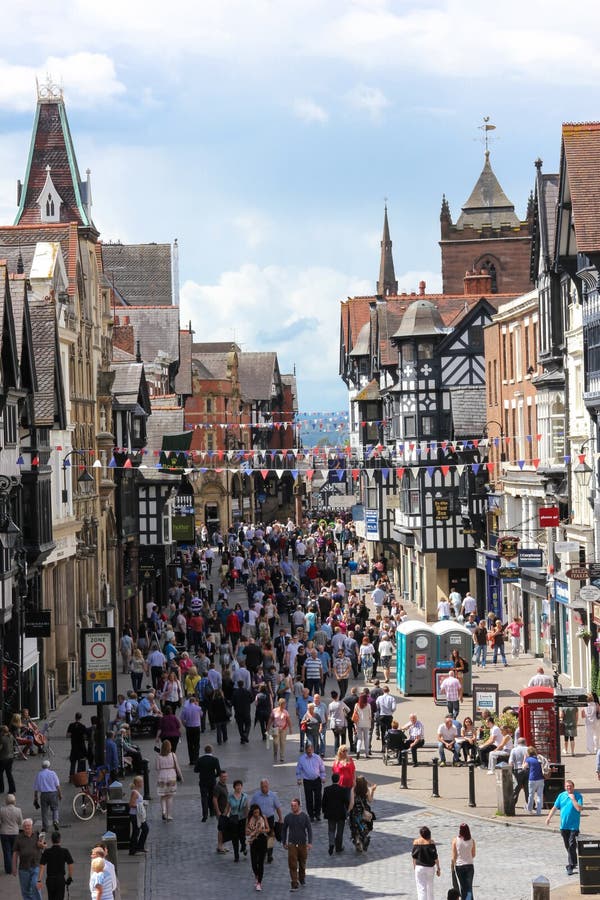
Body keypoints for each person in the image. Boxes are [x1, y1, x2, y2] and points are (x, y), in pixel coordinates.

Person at [545, 779, 583, 876]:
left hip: (574, 826)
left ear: (573, 787)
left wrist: (573, 798)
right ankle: (574, 862)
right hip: (563, 826)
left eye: (570, 786)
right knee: (568, 846)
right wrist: (549, 817)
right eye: (567, 786)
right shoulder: (561, 796)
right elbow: (554, 807)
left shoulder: (578, 796)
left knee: (571, 845)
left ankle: (570, 866)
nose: (568, 788)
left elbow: (579, 809)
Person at [250, 779, 283, 865]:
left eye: (265, 786)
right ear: (260, 786)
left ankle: (270, 854)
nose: (264, 788)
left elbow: (278, 807)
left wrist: (280, 818)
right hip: (259, 819)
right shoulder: (256, 796)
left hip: (269, 818)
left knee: (271, 836)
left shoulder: (273, 796)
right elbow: (252, 807)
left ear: (268, 786)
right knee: (260, 836)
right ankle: (262, 853)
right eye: (262, 787)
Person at [282, 798, 312, 892]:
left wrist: (310, 842)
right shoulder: (288, 817)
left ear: (299, 806)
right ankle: (294, 883)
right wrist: (284, 842)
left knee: (302, 863)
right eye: (292, 805)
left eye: (295, 805)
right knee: (292, 864)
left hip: (302, 843)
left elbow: (309, 830)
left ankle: (302, 878)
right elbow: (284, 830)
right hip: (292, 844)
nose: (293, 807)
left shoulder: (305, 816)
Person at [12, 818, 44, 900]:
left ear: (32, 826)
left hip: (35, 865)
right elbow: (15, 853)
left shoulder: (37, 835)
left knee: (35, 885)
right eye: (25, 826)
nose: (27, 828)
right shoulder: (18, 838)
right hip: (23, 868)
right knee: (25, 891)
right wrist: (14, 867)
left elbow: (43, 846)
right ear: (23, 827)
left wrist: (42, 845)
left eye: (29, 826)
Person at [37, 831, 74, 900]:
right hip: (60, 879)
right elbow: (70, 864)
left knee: (51, 898)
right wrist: (70, 877)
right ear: (60, 839)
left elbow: (42, 866)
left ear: (51, 840)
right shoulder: (65, 851)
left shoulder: (47, 852)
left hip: (50, 880)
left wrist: (39, 880)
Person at [295, 744, 326, 822]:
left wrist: (323, 777)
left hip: (317, 780)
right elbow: (298, 770)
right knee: (309, 799)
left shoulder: (317, 757)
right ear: (306, 750)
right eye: (308, 751)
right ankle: (311, 815)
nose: (309, 752)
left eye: (311, 751)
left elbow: (322, 768)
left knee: (318, 798)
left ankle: (317, 814)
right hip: (307, 781)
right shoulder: (302, 759)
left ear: (313, 750)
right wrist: (299, 779)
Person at [322, 772, 349, 855]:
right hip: (340, 813)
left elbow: (323, 802)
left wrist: (324, 811)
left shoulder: (327, 789)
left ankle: (331, 844)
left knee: (331, 830)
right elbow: (346, 802)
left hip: (330, 813)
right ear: (339, 779)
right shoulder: (343, 790)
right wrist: (347, 811)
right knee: (340, 831)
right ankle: (338, 847)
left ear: (332, 780)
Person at [155, 739, 182, 821]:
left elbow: (157, 768)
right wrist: (180, 776)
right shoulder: (173, 755)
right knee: (169, 796)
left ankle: (163, 811)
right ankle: (168, 815)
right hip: (171, 776)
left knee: (163, 796)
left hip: (162, 776)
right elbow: (177, 767)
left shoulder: (158, 757)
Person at [412, 825, 440, 900]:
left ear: (421, 834)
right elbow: (435, 857)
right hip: (430, 868)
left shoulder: (416, 842)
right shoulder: (431, 842)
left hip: (419, 867)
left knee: (421, 889)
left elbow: (414, 857)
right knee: (430, 888)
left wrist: (414, 867)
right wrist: (438, 868)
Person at [348, 776, 376, 853]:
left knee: (355, 828)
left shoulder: (353, 790)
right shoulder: (366, 790)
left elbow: (352, 803)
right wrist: (372, 790)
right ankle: (363, 839)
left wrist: (348, 810)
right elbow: (370, 800)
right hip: (364, 812)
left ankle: (358, 842)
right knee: (364, 827)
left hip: (355, 812)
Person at [246, 803, 270, 892]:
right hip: (253, 841)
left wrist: (261, 830)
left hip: (262, 840)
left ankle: (259, 882)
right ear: (252, 813)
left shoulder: (263, 817)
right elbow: (246, 831)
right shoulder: (249, 819)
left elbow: (268, 829)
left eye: (258, 812)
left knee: (260, 862)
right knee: (253, 862)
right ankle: (257, 876)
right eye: (255, 813)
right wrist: (249, 832)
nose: (257, 814)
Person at [195, 744, 222, 821]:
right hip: (212, 781)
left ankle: (205, 815)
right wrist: (214, 776)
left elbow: (195, 770)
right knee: (211, 796)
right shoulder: (215, 759)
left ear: (204, 751)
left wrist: (202, 770)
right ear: (211, 750)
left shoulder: (200, 759)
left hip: (203, 781)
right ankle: (212, 812)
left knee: (204, 797)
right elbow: (219, 772)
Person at [33, 760, 61, 832]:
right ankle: (55, 821)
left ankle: (45, 827)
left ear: (42, 767)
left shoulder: (39, 774)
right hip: (53, 793)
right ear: (49, 766)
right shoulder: (53, 773)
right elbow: (57, 785)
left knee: (44, 812)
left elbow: (36, 787)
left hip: (44, 795)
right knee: (55, 809)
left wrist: (35, 797)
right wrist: (60, 794)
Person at [451, 823, 475, 900]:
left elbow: (454, 856)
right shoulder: (472, 840)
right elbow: (473, 854)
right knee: (469, 887)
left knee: (463, 887)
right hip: (470, 866)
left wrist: (452, 864)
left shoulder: (455, 841)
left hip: (459, 866)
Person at [1, 794, 22, 876]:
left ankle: (8, 869)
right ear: (14, 801)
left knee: (6, 851)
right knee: (14, 851)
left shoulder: (1, 810)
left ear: (6, 801)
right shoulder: (18, 810)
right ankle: (14, 867)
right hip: (15, 833)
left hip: (4, 833)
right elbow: (20, 822)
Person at [228, 779, 249, 863]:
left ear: (241, 786)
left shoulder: (245, 796)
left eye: (240, 785)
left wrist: (247, 820)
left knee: (242, 836)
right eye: (237, 785)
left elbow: (247, 809)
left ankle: (243, 847)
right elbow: (227, 807)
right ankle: (236, 855)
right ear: (234, 787)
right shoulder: (230, 796)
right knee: (234, 838)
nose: (238, 787)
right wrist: (223, 817)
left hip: (242, 819)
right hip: (233, 819)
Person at [267, 697, 293, 764]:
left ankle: (282, 757)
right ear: (280, 704)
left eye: (285, 704)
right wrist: (268, 728)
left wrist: (290, 728)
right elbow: (270, 719)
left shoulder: (285, 712)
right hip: (276, 729)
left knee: (282, 743)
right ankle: (275, 754)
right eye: (283, 704)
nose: (284, 705)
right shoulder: (274, 711)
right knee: (275, 743)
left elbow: (289, 721)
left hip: (283, 729)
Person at [180, 695, 203, 765]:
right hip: (196, 727)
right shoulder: (198, 708)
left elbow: (182, 718)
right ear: (195, 701)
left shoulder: (185, 708)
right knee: (196, 744)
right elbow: (201, 715)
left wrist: (185, 725)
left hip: (189, 727)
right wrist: (198, 705)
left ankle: (191, 760)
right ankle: (196, 759)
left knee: (190, 744)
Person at [128, 775, 148, 856]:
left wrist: (141, 804)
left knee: (139, 831)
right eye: (141, 782)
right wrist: (140, 805)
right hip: (135, 815)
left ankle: (137, 847)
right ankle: (134, 849)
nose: (142, 783)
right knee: (140, 830)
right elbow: (131, 804)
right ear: (137, 783)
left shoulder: (136, 792)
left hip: (137, 815)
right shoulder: (134, 792)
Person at [523, 746, 545, 816]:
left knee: (531, 795)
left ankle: (529, 809)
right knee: (539, 795)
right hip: (541, 779)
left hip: (532, 779)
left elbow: (524, 767)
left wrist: (524, 758)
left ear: (528, 753)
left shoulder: (529, 759)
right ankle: (539, 812)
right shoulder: (539, 759)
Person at [66, 713, 88, 781]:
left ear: (75, 717)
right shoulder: (83, 726)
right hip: (81, 747)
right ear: (80, 718)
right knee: (80, 764)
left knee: (73, 764)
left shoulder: (71, 725)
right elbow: (85, 737)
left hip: (74, 747)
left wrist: (73, 735)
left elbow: (68, 735)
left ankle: (71, 778)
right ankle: (78, 779)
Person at [509, 737, 529, 810]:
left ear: (518, 743)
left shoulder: (514, 750)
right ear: (525, 742)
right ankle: (530, 804)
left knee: (516, 788)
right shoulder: (528, 749)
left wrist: (510, 771)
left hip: (518, 770)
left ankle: (512, 803)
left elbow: (510, 762)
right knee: (527, 788)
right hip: (528, 770)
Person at [213, 770, 230, 853]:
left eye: (226, 776)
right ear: (219, 777)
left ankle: (221, 845)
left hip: (225, 811)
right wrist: (218, 812)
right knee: (221, 829)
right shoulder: (217, 787)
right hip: (220, 812)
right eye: (223, 777)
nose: (225, 778)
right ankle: (219, 847)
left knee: (224, 829)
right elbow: (214, 799)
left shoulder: (224, 785)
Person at [353, 692, 372, 759]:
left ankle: (358, 751)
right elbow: (370, 716)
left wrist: (355, 725)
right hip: (366, 724)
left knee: (359, 739)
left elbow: (354, 715)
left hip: (358, 724)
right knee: (366, 739)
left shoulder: (356, 705)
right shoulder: (368, 705)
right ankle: (366, 754)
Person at [0, 725, 16, 794]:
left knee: (0, 774)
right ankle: (12, 789)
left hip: (3, 759)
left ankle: (1, 789)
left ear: (2, 731)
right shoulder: (11, 736)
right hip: (11, 757)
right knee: (9, 774)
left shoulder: (2, 738)